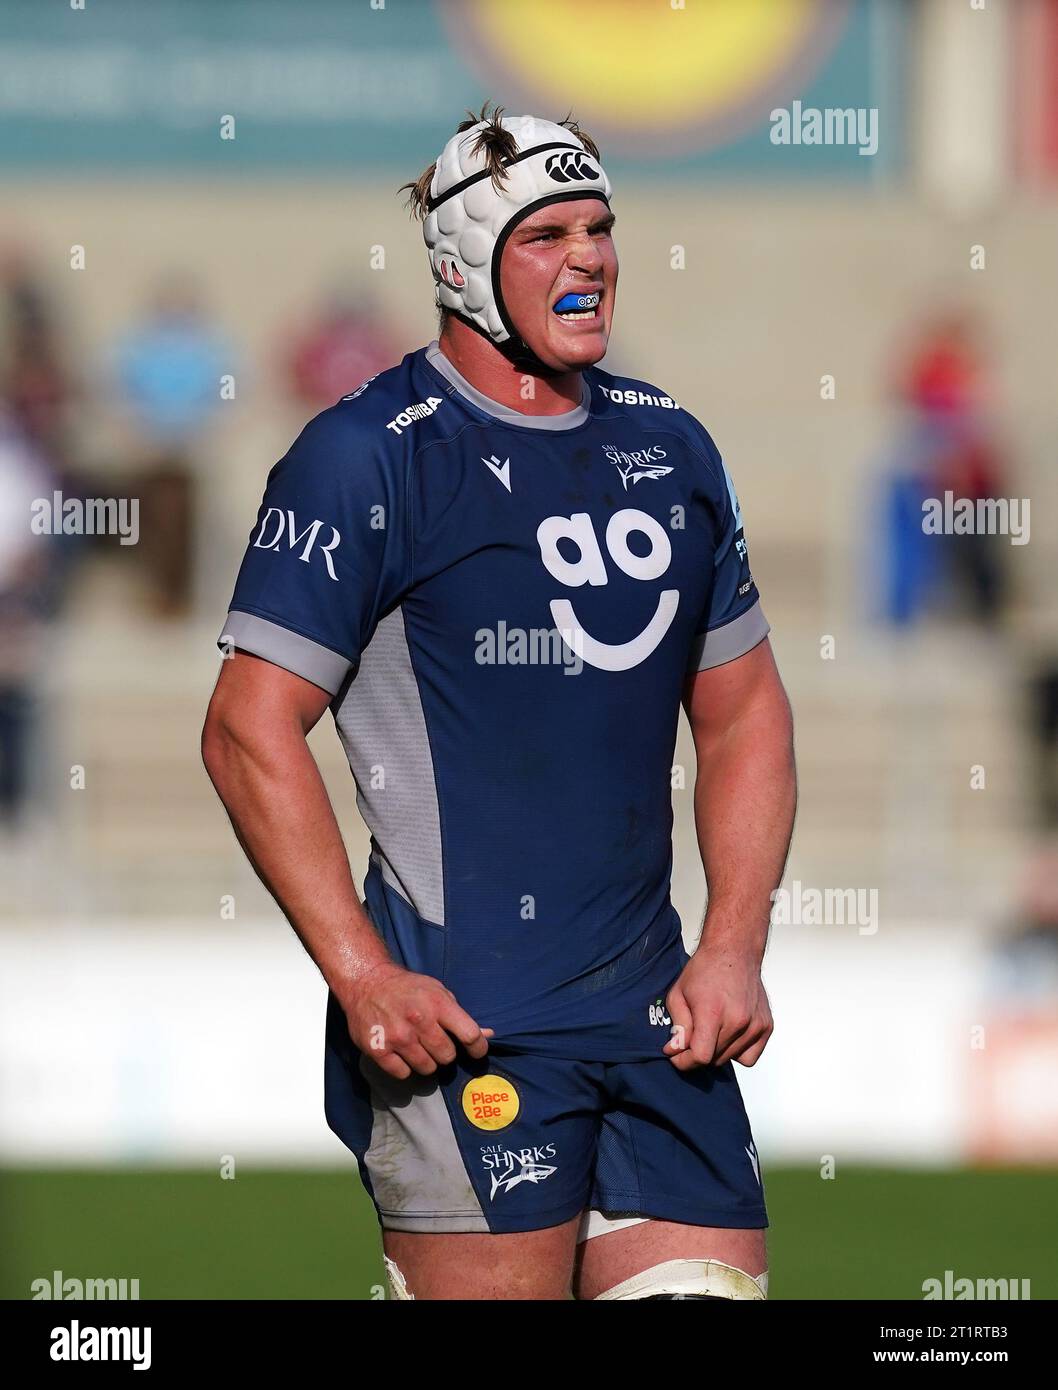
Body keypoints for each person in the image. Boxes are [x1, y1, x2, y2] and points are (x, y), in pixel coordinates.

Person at [202, 103, 796, 1301]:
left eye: (600, 227)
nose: (588, 256)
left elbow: (744, 713)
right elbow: (244, 728)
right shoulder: (365, 453)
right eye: (546, 235)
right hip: (467, 1032)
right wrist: (364, 976)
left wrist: (733, 943)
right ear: (463, 265)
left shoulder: (670, 444)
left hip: (659, 1030)